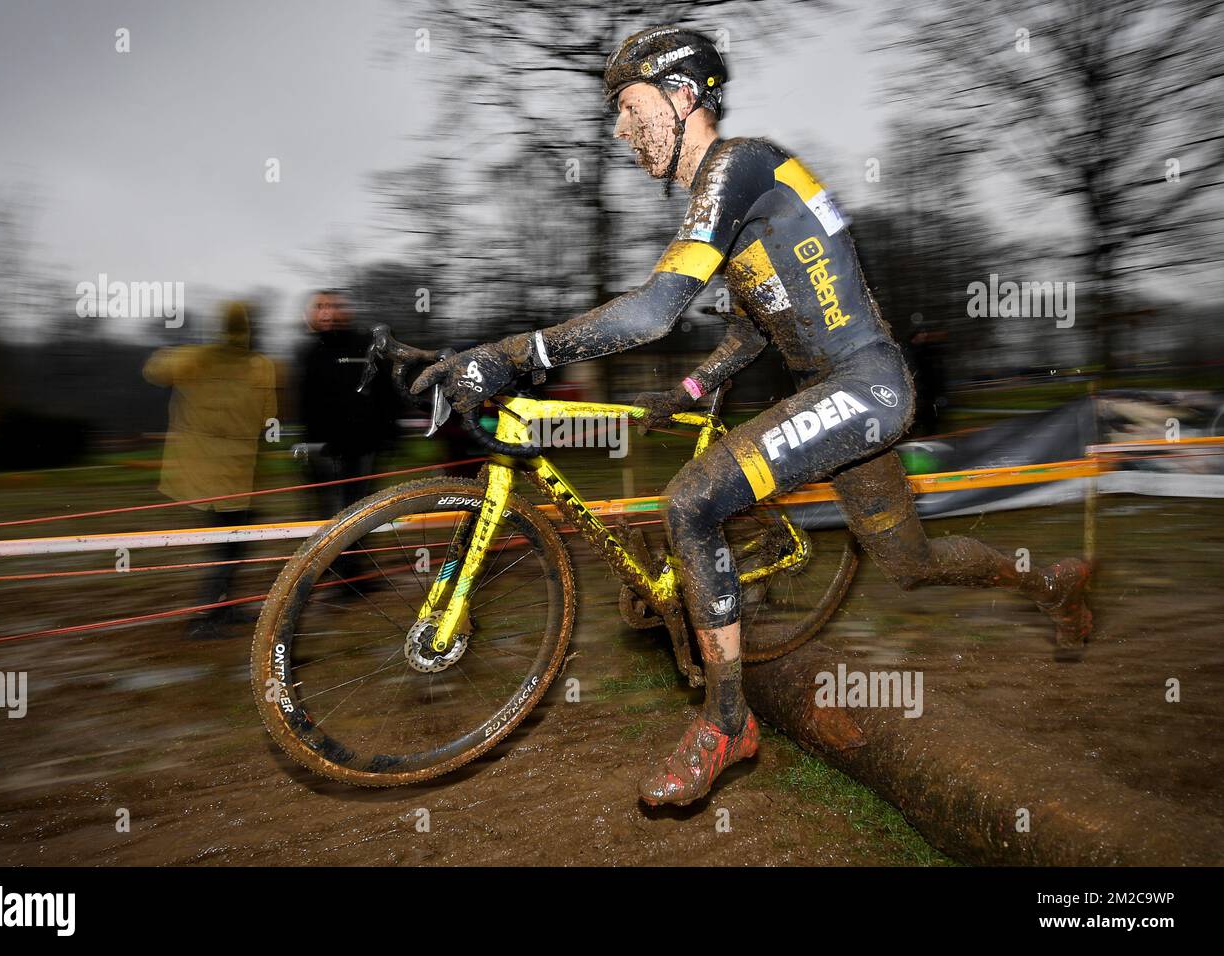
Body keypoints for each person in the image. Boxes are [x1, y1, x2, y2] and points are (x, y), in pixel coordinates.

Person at [412, 25, 1093, 807]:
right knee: (911, 565)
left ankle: (727, 720)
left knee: (692, 500)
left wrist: (513, 353)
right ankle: (1051, 581)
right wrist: (692, 394)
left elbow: (654, 311)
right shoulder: (734, 200)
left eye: (630, 107)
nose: (620, 130)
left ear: (681, 94)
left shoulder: (740, 166)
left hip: (863, 386)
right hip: (843, 398)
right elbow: (747, 327)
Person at [143, 301, 277, 639]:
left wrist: (170, 352)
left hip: (212, 475)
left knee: (228, 545)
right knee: (228, 546)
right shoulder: (261, 366)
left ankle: (223, 607)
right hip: (232, 474)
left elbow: (153, 371)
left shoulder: (195, 359)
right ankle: (205, 617)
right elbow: (268, 418)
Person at [295, 289, 400, 519]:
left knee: (355, 513)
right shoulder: (309, 353)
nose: (325, 313)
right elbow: (304, 403)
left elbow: (386, 392)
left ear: (344, 311)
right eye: (319, 307)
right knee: (328, 515)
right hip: (323, 451)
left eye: (330, 306)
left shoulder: (366, 346)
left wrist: (389, 434)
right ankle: (334, 553)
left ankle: (351, 553)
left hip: (360, 447)